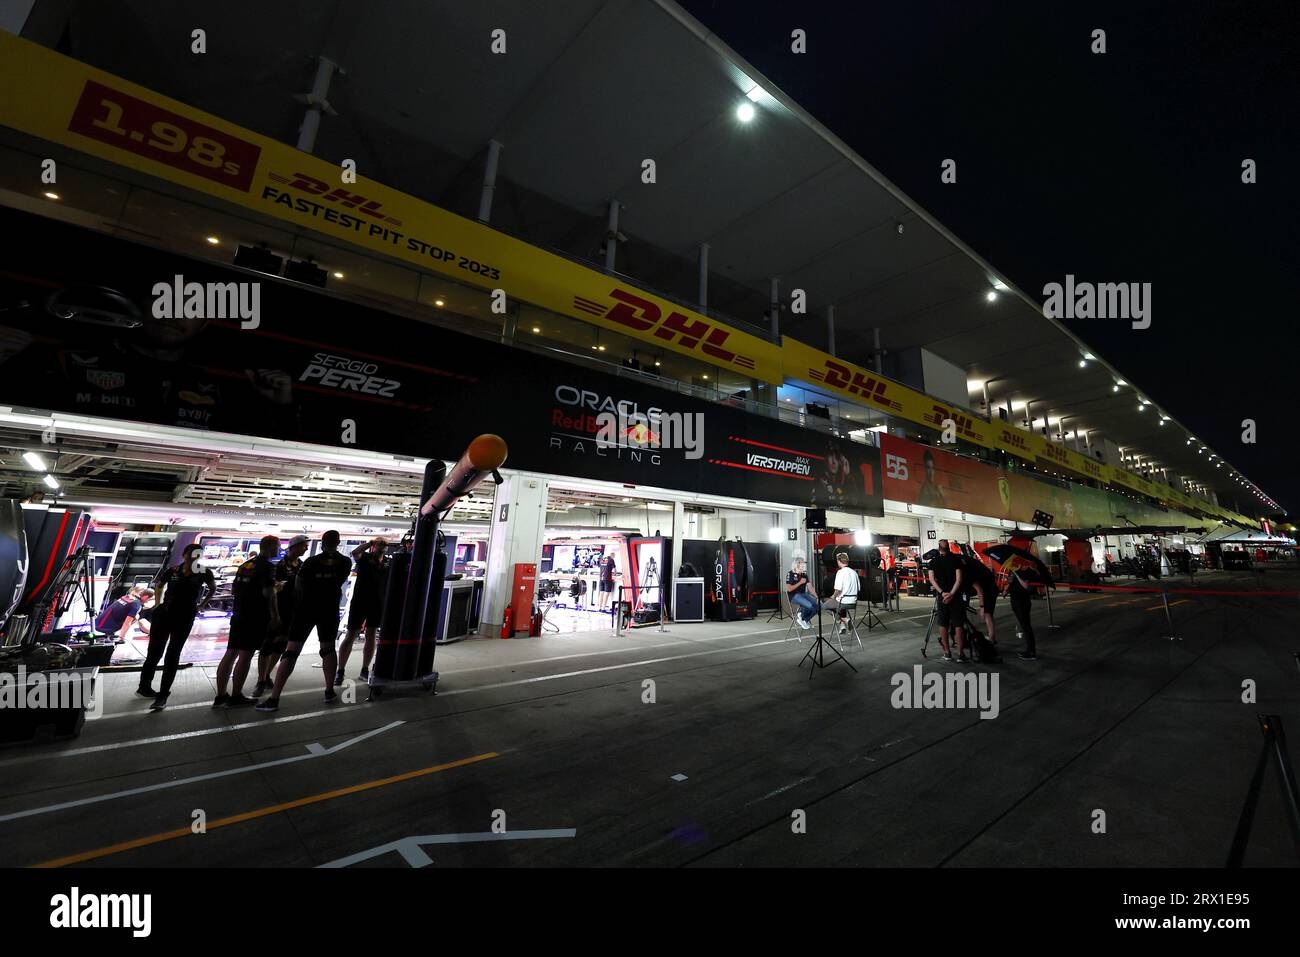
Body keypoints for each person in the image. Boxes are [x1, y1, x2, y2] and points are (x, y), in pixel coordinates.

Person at [257, 529, 352, 711]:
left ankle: (274, 698)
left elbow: (299, 585)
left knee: (291, 651)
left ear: (322, 543)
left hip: (306, 609)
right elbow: (340, 581)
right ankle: (329, 691)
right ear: (338, 543)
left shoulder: (310, 562)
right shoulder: (345, 562)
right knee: (328, 649)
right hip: (329, 609)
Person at [139, 543, 216, 711]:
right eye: (192, 553)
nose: (194, 557)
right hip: (164, 614)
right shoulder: (173, 570)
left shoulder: (204, 572)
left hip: (185, 616)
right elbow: (159, 586)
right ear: (184, 554)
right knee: (154, 652)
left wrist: (201, 605)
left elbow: (213, 589)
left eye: (198, 554)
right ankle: (144, 687)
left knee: (172, 654)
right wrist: (157, 604)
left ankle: (163, 695)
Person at [214, 535, 279, 708]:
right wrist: (274, 614)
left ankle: (220, 695)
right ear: (270, 546)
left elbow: (235, 589)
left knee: (230, 653)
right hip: (255, 616)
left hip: (239, 614)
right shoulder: (268, 567)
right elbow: (268, 593)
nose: (279, 549)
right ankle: (236, 696)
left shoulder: (245, 565)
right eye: (277, 546)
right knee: (246, 655)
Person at [253, 534, 310, 697]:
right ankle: (261, 680)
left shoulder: (301, 565)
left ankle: (267, 675)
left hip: (293, 612)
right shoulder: (279, 566)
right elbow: (272, 592)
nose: (306, 548)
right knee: (267, 645)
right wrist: (274, 614)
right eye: (304, 545)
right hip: (278, 611)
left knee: (281, 645)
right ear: (295, 547)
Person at [337, 536, 388, 684]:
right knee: (351, 635)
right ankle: (340, 670)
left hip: (377, 603)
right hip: (360, 601)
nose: (381, 547)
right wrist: (370, 543)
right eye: (379, 544)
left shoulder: (387, 563)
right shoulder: (365, 558)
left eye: (384, 545)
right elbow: (355, 552)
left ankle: (365, 669)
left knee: (371, 635)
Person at [927, 540, 967, 662]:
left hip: (942, 597)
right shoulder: (956, 560)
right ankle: (960, 654)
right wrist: (952, 593)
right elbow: (959, 579)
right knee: (958, 625)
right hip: (956, 597)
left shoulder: (933, 562)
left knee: (943, 624)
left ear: (939, 548)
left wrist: (942, 593)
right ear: (949, 548)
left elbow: (932, 579)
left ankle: (947, 653)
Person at [961, 550, 1000, 644]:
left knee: (987, 613)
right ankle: (991, 637)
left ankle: (992, 638)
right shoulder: (966, 562)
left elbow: (979, 590)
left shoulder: (968, 571)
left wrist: (982, 607)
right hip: (987, 585)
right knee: (987, 614)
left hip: (989, 588)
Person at [825, 551, 861, 634]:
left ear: (839, 561)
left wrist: (833, 596)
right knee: (840, 605)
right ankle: (842, 625)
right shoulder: (854, 572)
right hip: (853, 602)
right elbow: (858, 588)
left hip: (842, 601)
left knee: (825, 606)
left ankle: (843, 619)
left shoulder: (840, 572)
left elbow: (838, 589)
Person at [1008, 569, 1038, 661]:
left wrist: (1017, 575)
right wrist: (1006, 590)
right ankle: (1028, 649)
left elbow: (1026, 586)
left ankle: (1031, 651)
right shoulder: (1010, 569)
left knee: (1026, 626)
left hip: (1022, 601)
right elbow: (1011, 583)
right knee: (1023, 625)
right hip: (1015, 600)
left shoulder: (1024, 571)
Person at [786, 556, 819, 630]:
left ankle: (804, 619)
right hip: (794, 596)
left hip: (804, 595)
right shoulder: (790, 573)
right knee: (809, 605)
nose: (804, 565)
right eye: (803, 563)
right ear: (797, 564)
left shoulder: (804, 574)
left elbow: (810, 587)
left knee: (818, 605)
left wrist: (816, 596)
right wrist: (800, 582)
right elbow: (789, 589)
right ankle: (802, 616)